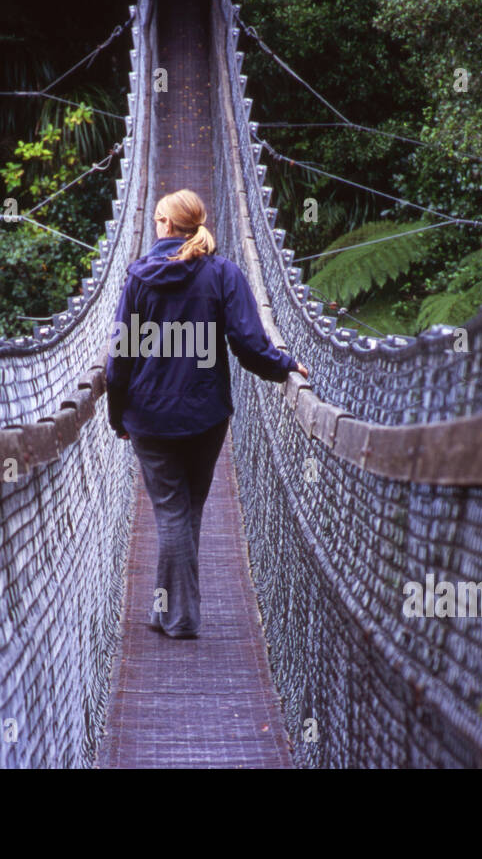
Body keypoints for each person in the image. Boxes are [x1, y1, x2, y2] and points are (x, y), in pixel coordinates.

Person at [105, 189, 309, 639]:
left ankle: (178, 617)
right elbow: (249, 344)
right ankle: (170, 611)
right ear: (195, 225)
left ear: (163, 225)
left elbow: (120, 358)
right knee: (185, 510)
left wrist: (117, 416)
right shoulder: (223, 273)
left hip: (150, 416)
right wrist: (285, 364)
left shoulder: (139, 278)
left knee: (173, 512)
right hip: (204, 415)